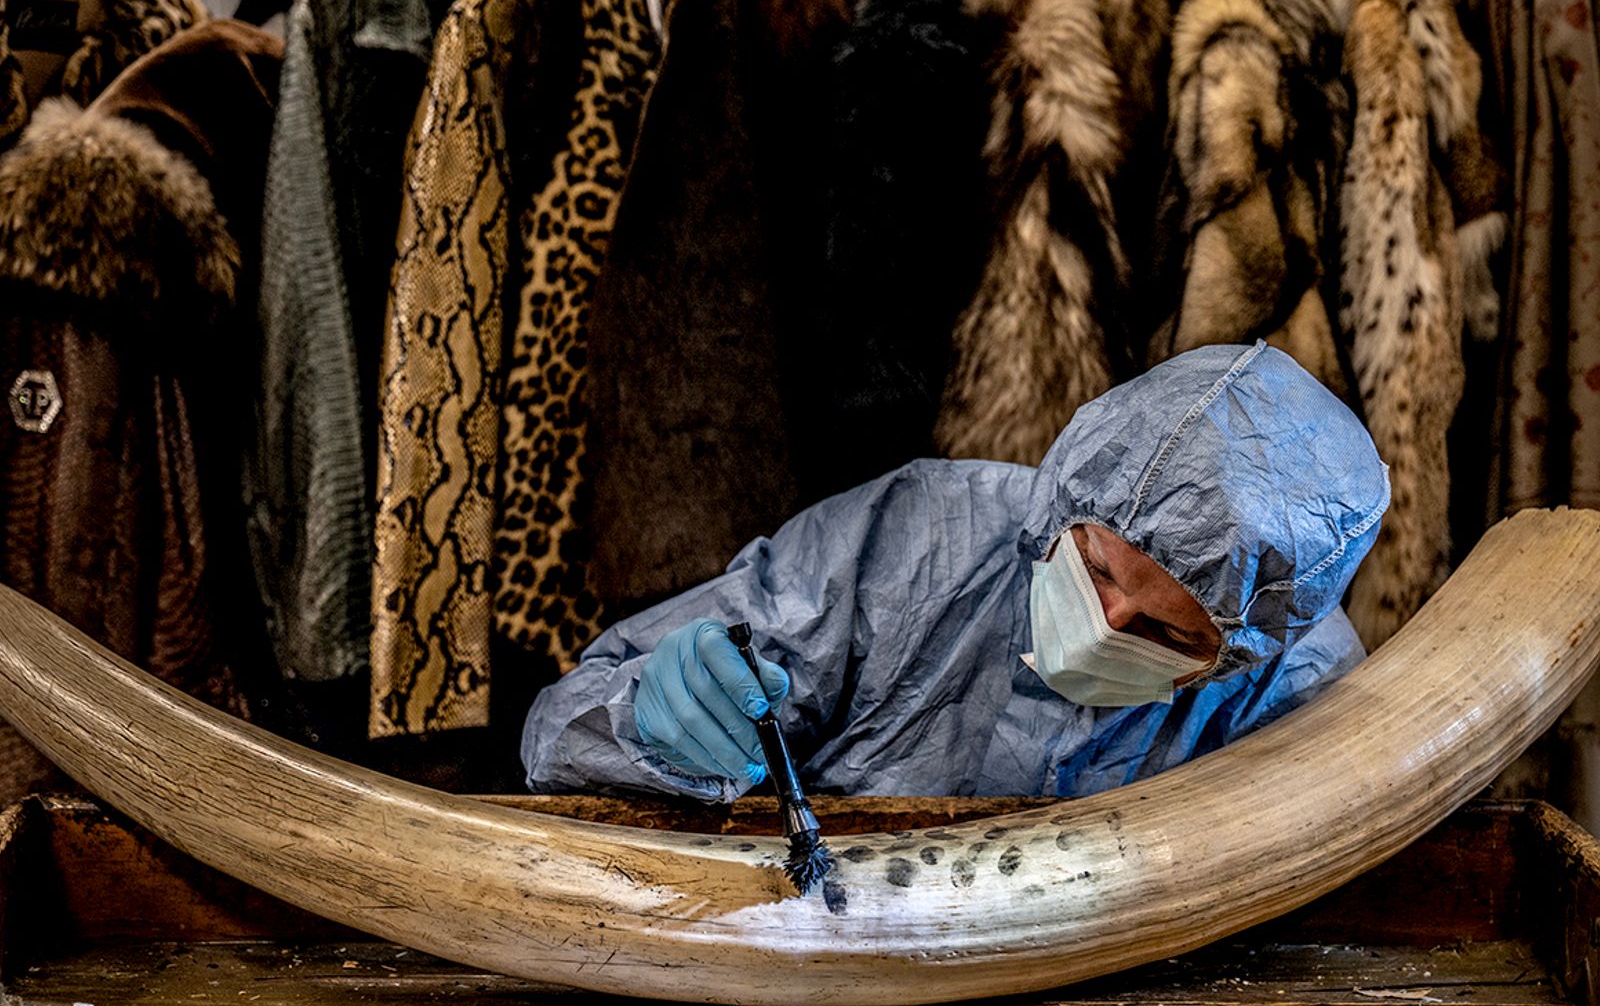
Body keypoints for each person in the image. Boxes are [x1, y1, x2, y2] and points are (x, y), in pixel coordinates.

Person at [521, 341, 1390, 801]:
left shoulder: (1299, 687)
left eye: (1166, 632)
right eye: (1095, 569)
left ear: (1240, 653)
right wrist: (645, 720)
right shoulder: (917, 537)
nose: (1105, 624)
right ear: (1067, 500)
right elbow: (559, 729)